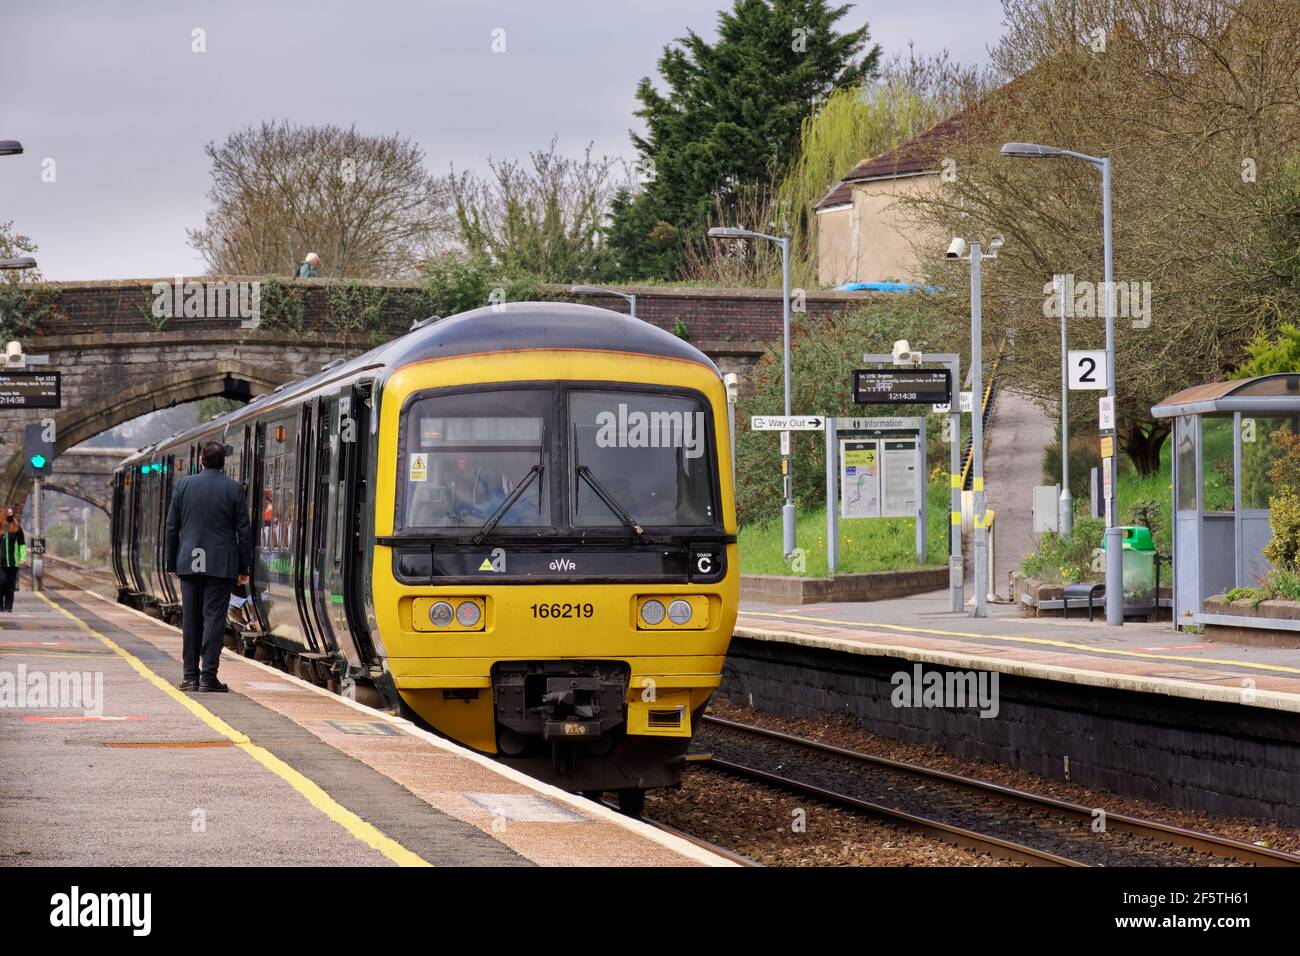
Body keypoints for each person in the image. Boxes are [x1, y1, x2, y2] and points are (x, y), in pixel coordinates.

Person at [164, 441, 252, 692]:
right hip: (221, 564)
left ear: (201, 460)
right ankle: (208, 676)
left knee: (190, 619)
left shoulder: (183, 486)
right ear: (224, 461)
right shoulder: (234, 489)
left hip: (189, 562)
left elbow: (172, 528)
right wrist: (244, 568)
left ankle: (189, 676)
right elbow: (243, 532)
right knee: (214, 620)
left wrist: (171, 562)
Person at [0, 508, 24, 612]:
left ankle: (8, 607)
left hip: (13, 562)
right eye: (8, 514)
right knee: (2, 582)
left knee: (10, 585)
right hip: (1, 562)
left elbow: (22, 544)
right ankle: (0, 605)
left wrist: (22, 558)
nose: (10, 516)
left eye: (11, 514)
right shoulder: (0, 528)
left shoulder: (17, 528)